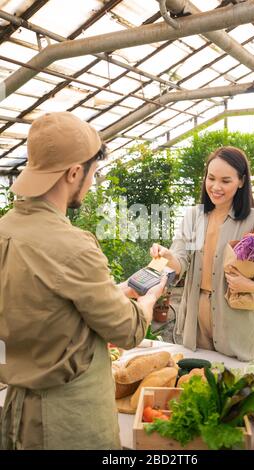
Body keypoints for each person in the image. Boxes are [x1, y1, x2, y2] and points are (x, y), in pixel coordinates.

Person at [0, 112, 166, 450]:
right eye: (92, 172)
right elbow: (127, 331)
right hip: (69, 422)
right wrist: (146, 300)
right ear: (75, 172)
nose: (91, 182)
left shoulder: (5, 231)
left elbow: (42, 305)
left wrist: (115, 291)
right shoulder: (72, 245)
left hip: (18, 413)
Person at [150, 146, 254, 362]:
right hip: (195, 322)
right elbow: (180, 262)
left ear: (241, 181)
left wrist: (253, 286)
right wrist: (168, 256)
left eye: (226, 181)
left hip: (238, 325)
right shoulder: (193, 217)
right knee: (194, 378)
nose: (216, 187)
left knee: (236, 387)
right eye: (211, 178)